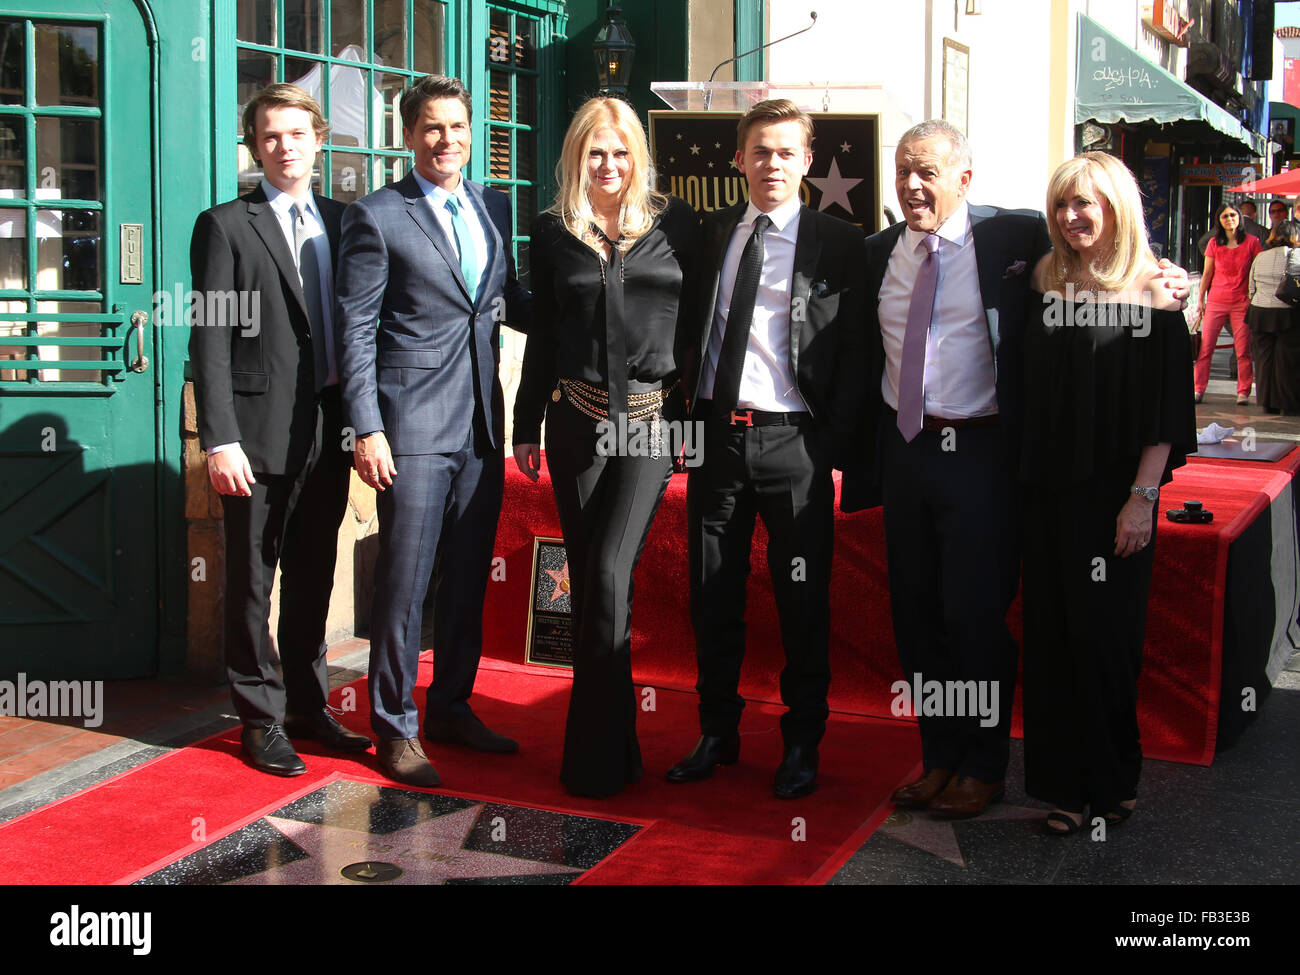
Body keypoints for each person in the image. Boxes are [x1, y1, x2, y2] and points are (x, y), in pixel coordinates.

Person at [839, 122, 1189, 819]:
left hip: (983, 457)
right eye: (903, 170)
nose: (912, 184)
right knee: (918, 619)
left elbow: (1117, 265)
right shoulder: (876, 251)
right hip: (905, 455)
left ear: (964, 179)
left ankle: (983, 762)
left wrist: (1180, 282)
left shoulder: (1016, 242)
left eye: (928, 171)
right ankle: (939, 755)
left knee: (974, 618)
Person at [666, 99, 867, 799]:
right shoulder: (712, 232)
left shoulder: (841, 243)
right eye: (760, 151)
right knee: (712, 595)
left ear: (807, 162)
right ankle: (717, 732)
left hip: (795, 447)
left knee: (801, 601)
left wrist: (829, 444)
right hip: (717, 439)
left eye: (786, 152)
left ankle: (802, 742)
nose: (772, 164)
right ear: (739, 159)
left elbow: (858, 351)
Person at [335, 74, 530, 787]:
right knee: (404, 585)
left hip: (482, 424)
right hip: (410, 426)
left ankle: (450, 705)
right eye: (432, 128)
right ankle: (393, 723)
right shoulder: (378, 216)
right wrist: (366, 425)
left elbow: (510, 301)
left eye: (457, 126)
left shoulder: (493, 205)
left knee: (466, 581)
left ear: (472, 132)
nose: (447, 140)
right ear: (409, 136)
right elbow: (354, 330)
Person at [512, 97, 697, 798]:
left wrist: (696, 421)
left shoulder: (677, 223)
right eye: (596, 153)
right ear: (576, 159)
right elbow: (549, 335)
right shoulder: (554, 229)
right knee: (589, 581)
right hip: (576, 422)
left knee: (611, 574)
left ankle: (590, 759)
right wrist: (526, 422)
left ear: (637, 157)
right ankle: (615, 746)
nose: (610, 165)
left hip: (650, 422)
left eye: (621, 152)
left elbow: (702, 320)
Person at [189, 83, 370, 776]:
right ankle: (259, 717)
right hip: (255, 436)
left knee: (314, 575)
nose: (284, 146)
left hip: (329, 429)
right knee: (252, 582)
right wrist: (219, 437)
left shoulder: (346, 220)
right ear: (254, 145)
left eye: (297, 134)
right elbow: (209, 339)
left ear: (319, 139)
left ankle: (306, 704)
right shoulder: (227, 225)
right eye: (270, 136)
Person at [1022, 152, 1195, 834]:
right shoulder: (1042, 276)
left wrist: (1142, 498)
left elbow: (1165, 407)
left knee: (1106, 643)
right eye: (1063, 205)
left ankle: (1113, 777)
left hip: (1114, 497)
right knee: (1054, 640)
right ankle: (1063, 788)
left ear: (1118, 207)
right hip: (1044, 494)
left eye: (1086, 203)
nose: (1072, 217)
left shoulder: (1154, 288)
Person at [1194, 202, 1262, 405]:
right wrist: (1200, 299)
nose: (1229, 219)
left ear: (1240, 217)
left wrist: (1254, 295)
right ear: (1219, 221)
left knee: (1243, 350)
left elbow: (1259, 269)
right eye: (1225, 216)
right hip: (1216, 301)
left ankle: (1243, 392)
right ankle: (1198, 389)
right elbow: (1207, 273)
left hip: (1242, 302)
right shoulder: (1214, 243)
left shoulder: (1252, 242)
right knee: (1205, 349)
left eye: (1233, 215)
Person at [1246, 219, 1300, 414]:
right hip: (1288, 314)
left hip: (1259, 311)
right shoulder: (1297, 255)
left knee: (1263, 358)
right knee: (1287, 360)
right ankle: (1287, 405)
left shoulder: (1261, 256)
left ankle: (1267, 403)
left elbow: (1251, 286)